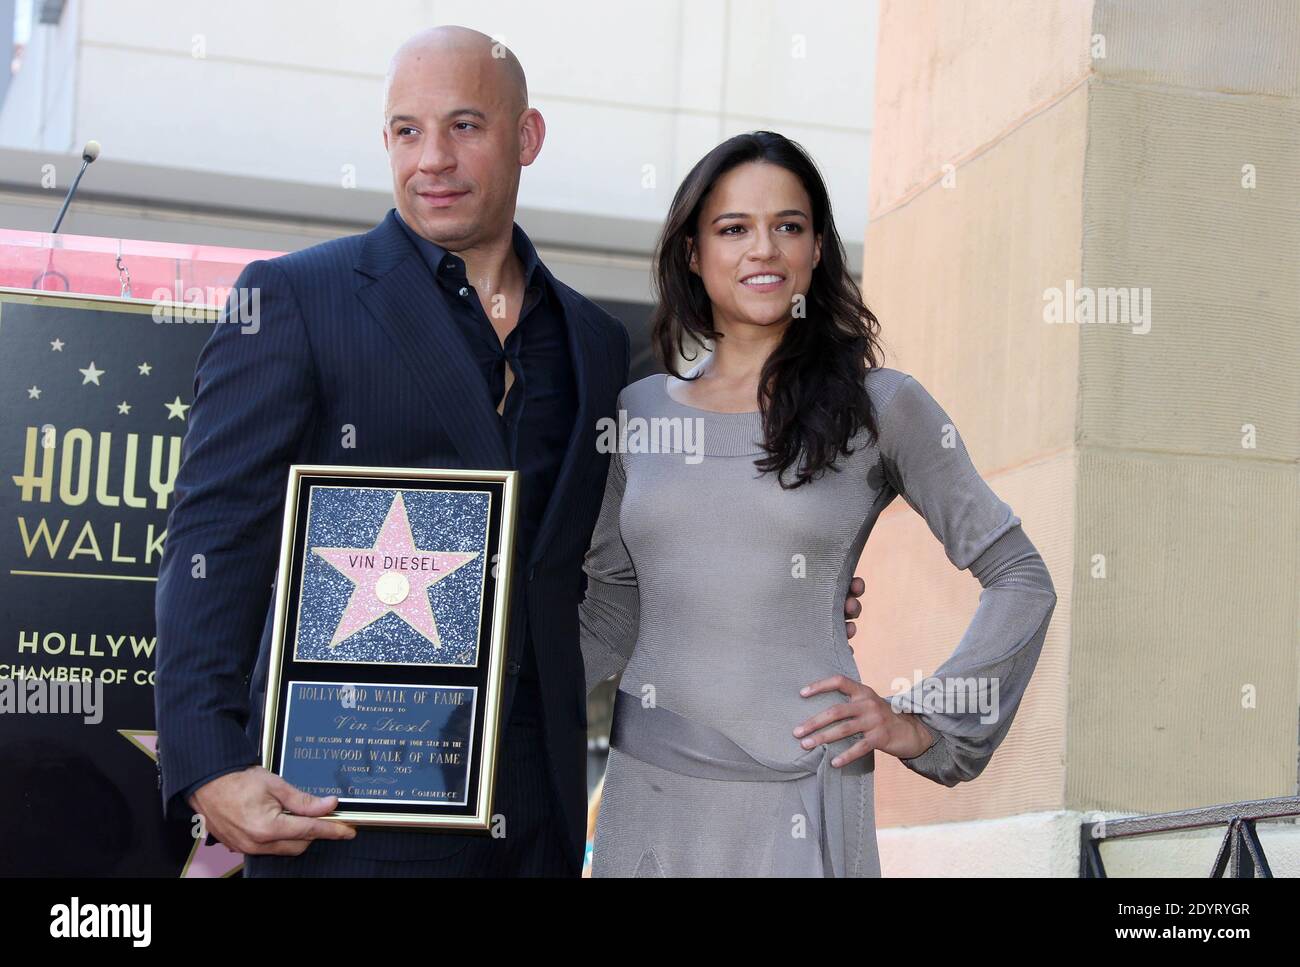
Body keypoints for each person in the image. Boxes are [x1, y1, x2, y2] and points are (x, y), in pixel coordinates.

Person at [153, 27, 868, 877]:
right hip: (348, 803)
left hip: (537, 813)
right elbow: (214, 537)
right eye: (407, 132)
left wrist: (768, 573)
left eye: (465, 126)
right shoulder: (296, 299)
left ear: (526, 137)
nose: (433, 161)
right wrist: (206, 760)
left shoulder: (595, 342)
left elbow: (612, 558)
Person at [580, 131, 1058, 877]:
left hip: (797, 796)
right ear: (692, 254)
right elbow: (612, 608)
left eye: (789, 226)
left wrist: (921, 721)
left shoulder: (881, 405)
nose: (762, 249)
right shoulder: (637, 411)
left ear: (817, 252)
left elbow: (1021, 575)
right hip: (647, 793)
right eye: (734, 228)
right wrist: (485, 719)